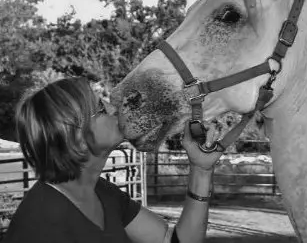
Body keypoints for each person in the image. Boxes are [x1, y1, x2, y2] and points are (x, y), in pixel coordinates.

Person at [3, 77, 223, 243]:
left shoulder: (102, 192)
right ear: (75, 137)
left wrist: (201, 170)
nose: (113, 108)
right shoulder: (40, 225)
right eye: (100, 108)